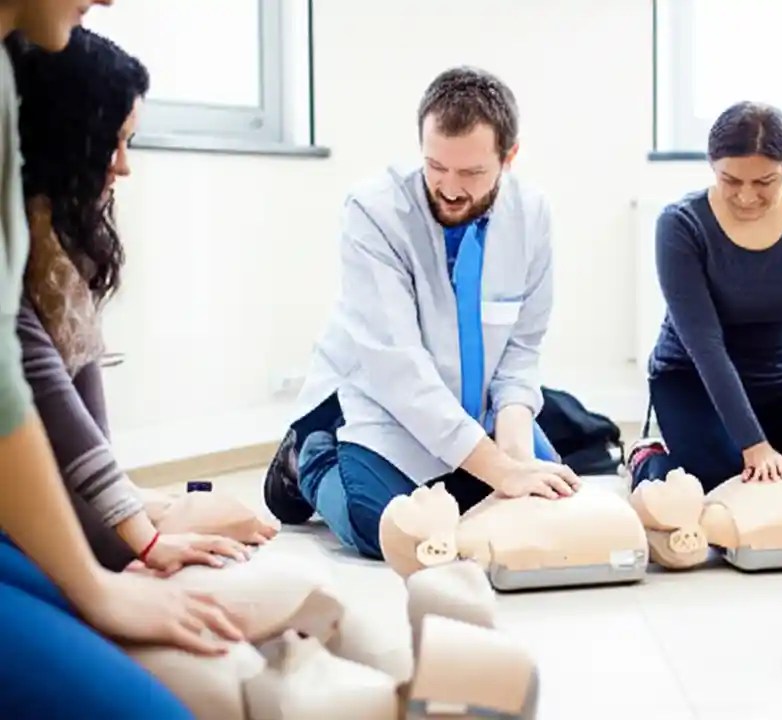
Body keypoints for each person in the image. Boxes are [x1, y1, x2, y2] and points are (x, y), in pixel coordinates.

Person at [0, 4, 242, 719]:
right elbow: (21, 385)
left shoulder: (55, 255)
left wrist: (141, 529)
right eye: (115, 142)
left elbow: (74, 432)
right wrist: (135, 543)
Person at [262, 66, 581, 561]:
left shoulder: (532, 215)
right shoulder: (374, 212)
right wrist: (499, 472)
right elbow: (399, 372)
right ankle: (304, 458)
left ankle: (480, 467)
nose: (450, 188)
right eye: (436, 167)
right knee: (395, 532)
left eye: (472, 173)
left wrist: (516, 455)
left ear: (508, 158)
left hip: (471, 410)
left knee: (546, 498)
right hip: (377, 405)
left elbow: (521, 351)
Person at [627, 101, 782, 492]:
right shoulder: (680, 225)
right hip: (694, 382)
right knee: (730, 488)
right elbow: (705, 345)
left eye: (764, 182)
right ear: (712, 166)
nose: (746, 196)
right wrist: (753, 444)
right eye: (731, 181)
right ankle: (650, 459)